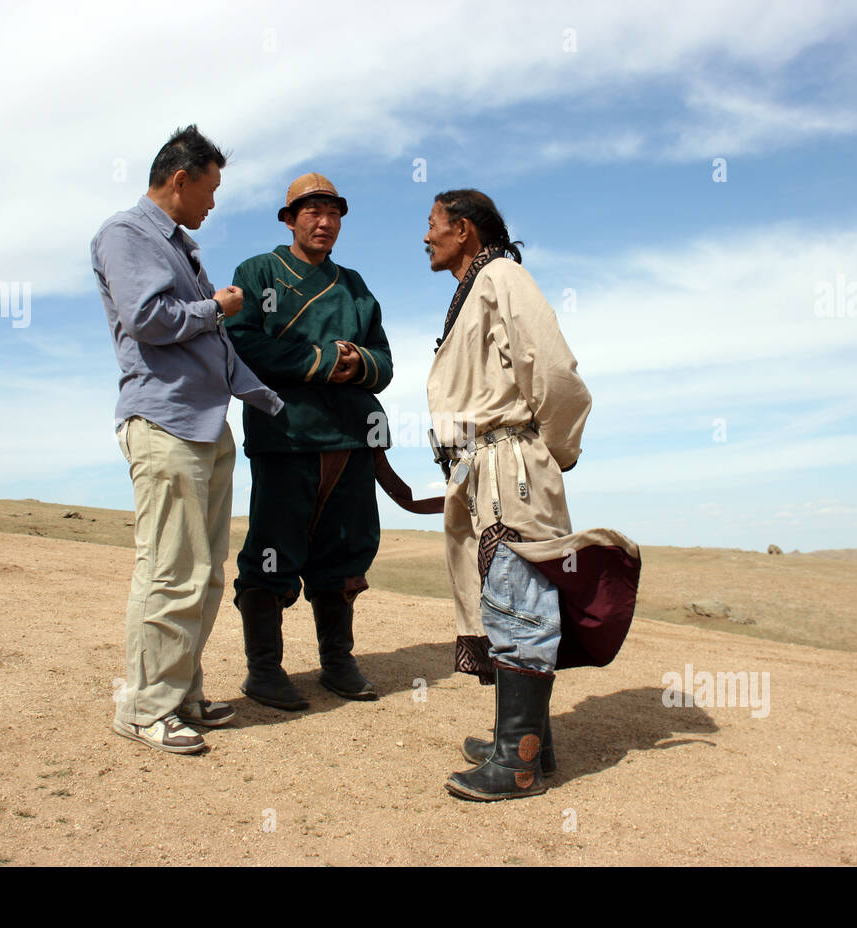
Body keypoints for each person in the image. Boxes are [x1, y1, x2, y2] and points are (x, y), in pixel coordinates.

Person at [423, 189, 642, 800]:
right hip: (483, 464)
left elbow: (555, 375)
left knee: (520, 595)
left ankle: (517, 766)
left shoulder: (504, 277)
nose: (426, 237)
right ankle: (525, 742)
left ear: (463, 230)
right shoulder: (477, 288)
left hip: (510, 461)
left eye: (433, 225)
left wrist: (552, 451)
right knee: (501, 597)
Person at [91, 125, 283, 755]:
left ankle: (182, 694)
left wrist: (264, 396)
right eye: (210, 187)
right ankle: (145, 709)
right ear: (180, 179)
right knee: (170, 570)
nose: (213, 201)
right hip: (164, 420)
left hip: (205, 423)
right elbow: (149, 320)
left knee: (203, 574)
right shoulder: (127, 234)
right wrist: (218, 307)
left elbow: (212, 344)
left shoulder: (180, 246)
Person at [224, 173, 394, 711]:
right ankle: (264, 670)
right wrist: (323, 362)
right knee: (273, 549)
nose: (324, 222)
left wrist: (358, 362)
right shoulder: (259, 272)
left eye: (334, 213)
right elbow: (243, 343)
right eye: (312, 212)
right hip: (286, 435)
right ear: (290, 218)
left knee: (345, 549)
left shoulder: (355, 285)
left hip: (349, 439)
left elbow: (384, 361)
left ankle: (337, 662)